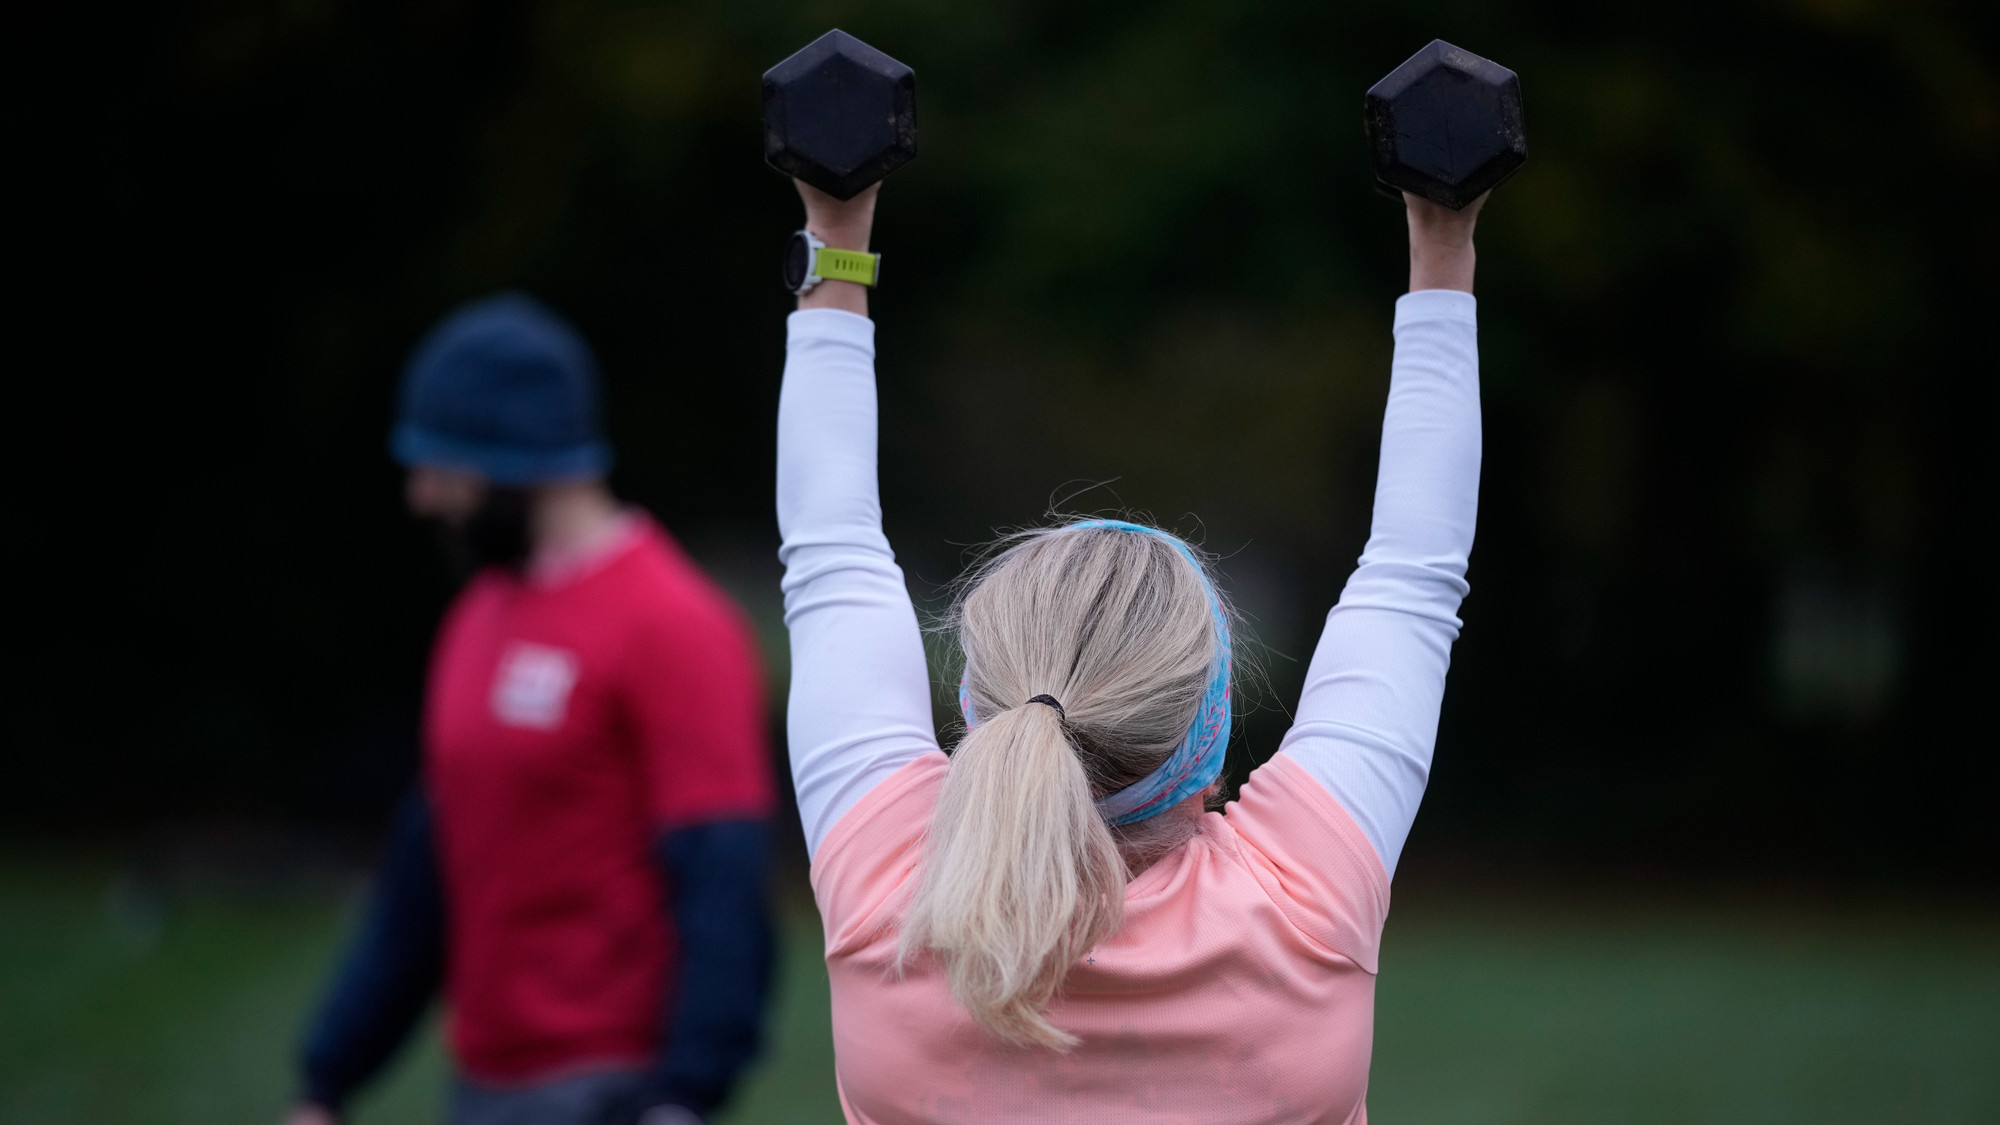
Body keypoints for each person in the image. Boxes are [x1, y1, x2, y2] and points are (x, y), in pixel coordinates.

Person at [775, 177, 1484, 1121]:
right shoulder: (1304, 898)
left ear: (979, 711)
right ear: (1211, 733)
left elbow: (830, 554)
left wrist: (834, 236)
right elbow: (1413, 575)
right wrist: (1445, 240)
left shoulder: (889, 888)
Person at [287, 293, 778, 1125]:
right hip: (482, 1088)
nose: (423, 496)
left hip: (611, 1090)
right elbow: (429, 867)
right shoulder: (477, 616)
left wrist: (686, 1096)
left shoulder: (674, 625)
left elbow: (724, 878)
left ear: (514, 461)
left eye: (441, 467)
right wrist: (328, 1077)